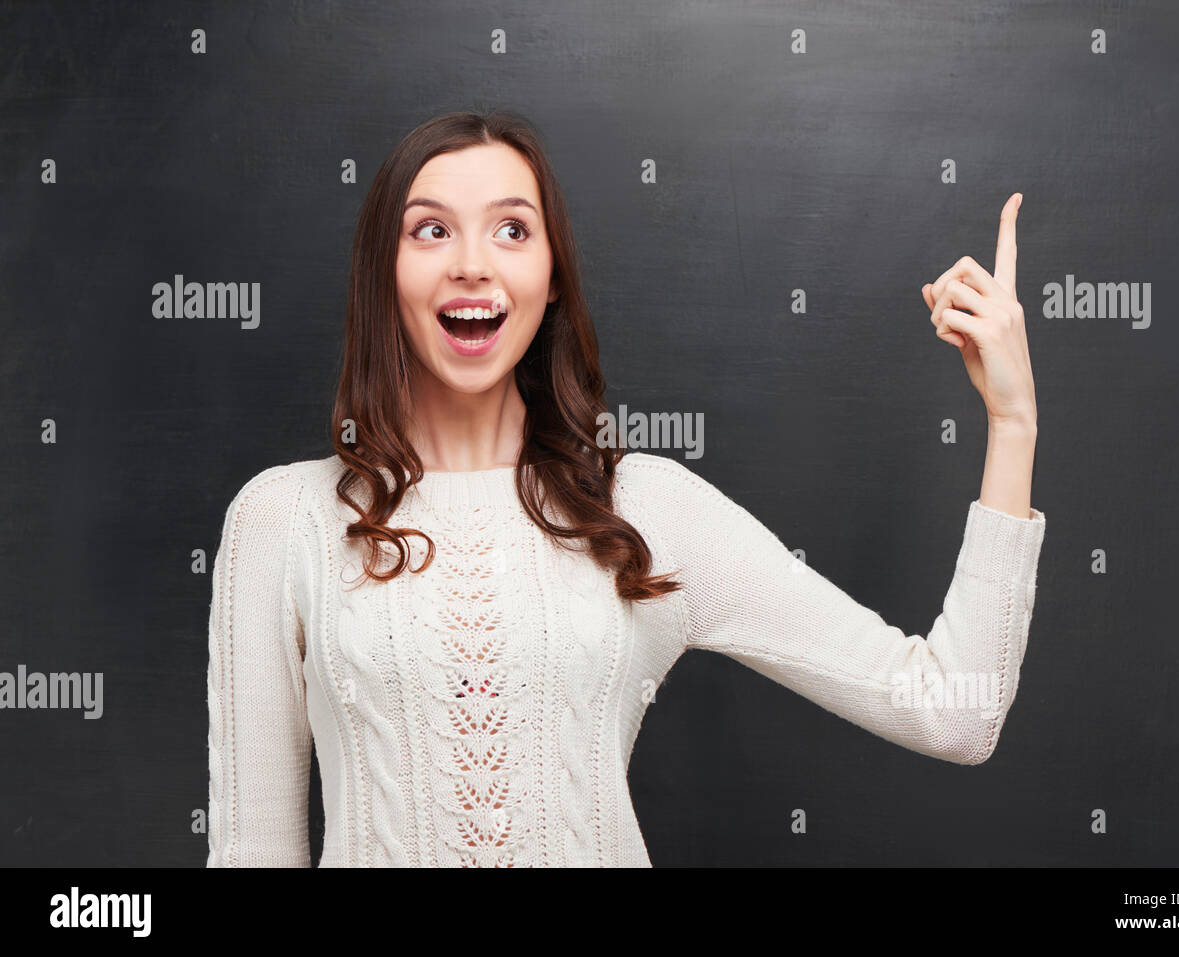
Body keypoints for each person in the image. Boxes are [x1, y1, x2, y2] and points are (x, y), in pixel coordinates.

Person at [206, 110, 1046, 867]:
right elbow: (251, 853)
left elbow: (954, 713)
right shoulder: (285, 520)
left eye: (511, 229)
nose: (471, 265)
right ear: (382, 271)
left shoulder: (643, 509)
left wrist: (1013, 425)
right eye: (430, 231)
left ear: (553, 275)